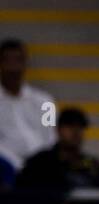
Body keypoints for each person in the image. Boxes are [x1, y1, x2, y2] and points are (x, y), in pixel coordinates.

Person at [15, 108, 99, 204]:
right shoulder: (40, 163)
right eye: (70, 126)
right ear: (58, 130)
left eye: (80, 127)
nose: (76, 132)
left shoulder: (95, 165)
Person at [0, 39, 55, 185]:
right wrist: (15, 164)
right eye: (7, 61)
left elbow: (51, 137)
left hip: (41, 169)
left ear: (25, 64)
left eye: (18, 60)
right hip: (6, 169)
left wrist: (40, 164)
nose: (13, 67)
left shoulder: (45, 102)